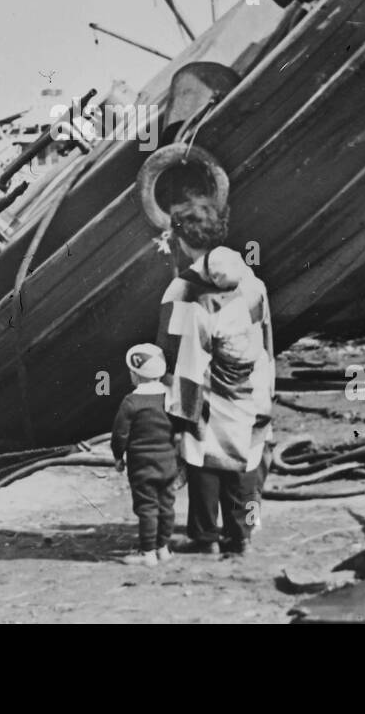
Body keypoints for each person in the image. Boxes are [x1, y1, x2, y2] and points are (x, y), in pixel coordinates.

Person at [158, 196, 274, 556]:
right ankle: (241, 537)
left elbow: (179, 356)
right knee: (245, 458)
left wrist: (178, 412)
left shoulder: (185, 290)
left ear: (181, 240)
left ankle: (204, 536)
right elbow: (267, 337)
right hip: (251, 383)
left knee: (201, 455)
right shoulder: (251, 279)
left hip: (209, 388)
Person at [110, 343, 178, 566]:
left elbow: (120, 434)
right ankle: (164, 548)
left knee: (147, 507)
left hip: (142, 465)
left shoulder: (131, 402)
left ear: (135, 375)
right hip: (168, 462)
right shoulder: (170, 398)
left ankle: (147, 552)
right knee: (166, 505)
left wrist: (118, 456)